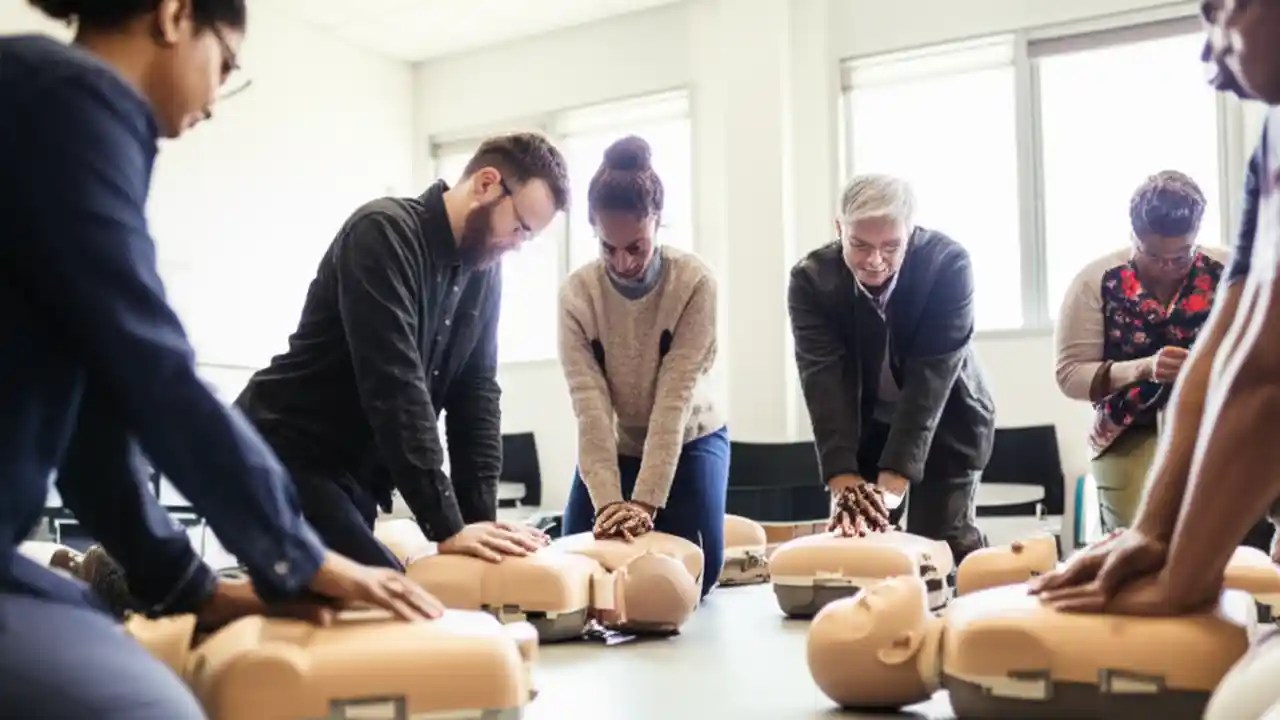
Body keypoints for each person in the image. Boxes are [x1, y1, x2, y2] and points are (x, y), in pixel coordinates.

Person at [1, 1, 442, 717]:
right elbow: (155, 368)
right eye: (226, 65)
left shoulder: (49, 101)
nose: (215, 98)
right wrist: (290, 551)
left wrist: (195, 590)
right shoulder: (72, 100)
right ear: (175, 15)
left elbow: (95, 428)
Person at [235, 133, 569, 569]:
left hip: (353, 478)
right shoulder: (382, 233)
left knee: (386, 594)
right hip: (280, 456)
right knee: (382, 596)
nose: (517, 245)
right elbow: (395, 385)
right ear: (487, 184)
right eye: (520, 228)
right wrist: (446, 526)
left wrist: (480, 526)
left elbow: (476, 396)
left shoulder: (483, 273)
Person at [788, 174, 996, 564]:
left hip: (947, 421)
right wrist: (844, 481)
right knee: (862, 548)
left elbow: (930, 382)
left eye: (891, 246)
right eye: (859, 245)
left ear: (911, 232)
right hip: (865, 426)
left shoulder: (948, 265)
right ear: (839, 229)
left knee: (937, 546)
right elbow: (822, 380)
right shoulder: (810, 280)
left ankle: (966, 614)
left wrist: (893, 484)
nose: (874, 261)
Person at [558, 136, 728, 597]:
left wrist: (646, 503)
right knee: (575, 562)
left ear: (657, 220)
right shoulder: (577, 295)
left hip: (692, 436)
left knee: (697, 574)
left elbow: (675, 397)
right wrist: (612, 504)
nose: (623, 262)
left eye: (636, 246)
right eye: (607, 248)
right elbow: (589, 407)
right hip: (616, 442)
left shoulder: (694, 282)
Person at [1054, 172, 1227, 532]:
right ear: (1133, 235)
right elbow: (1070, 375)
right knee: (1140, 539)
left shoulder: (1227, 272)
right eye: (1152, 254)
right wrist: (1142, 369)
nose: (1166, 267)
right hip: (1127, 429)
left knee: (1225, 533)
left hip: (1220, 423)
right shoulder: (1096, 281)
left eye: (1181, 256)